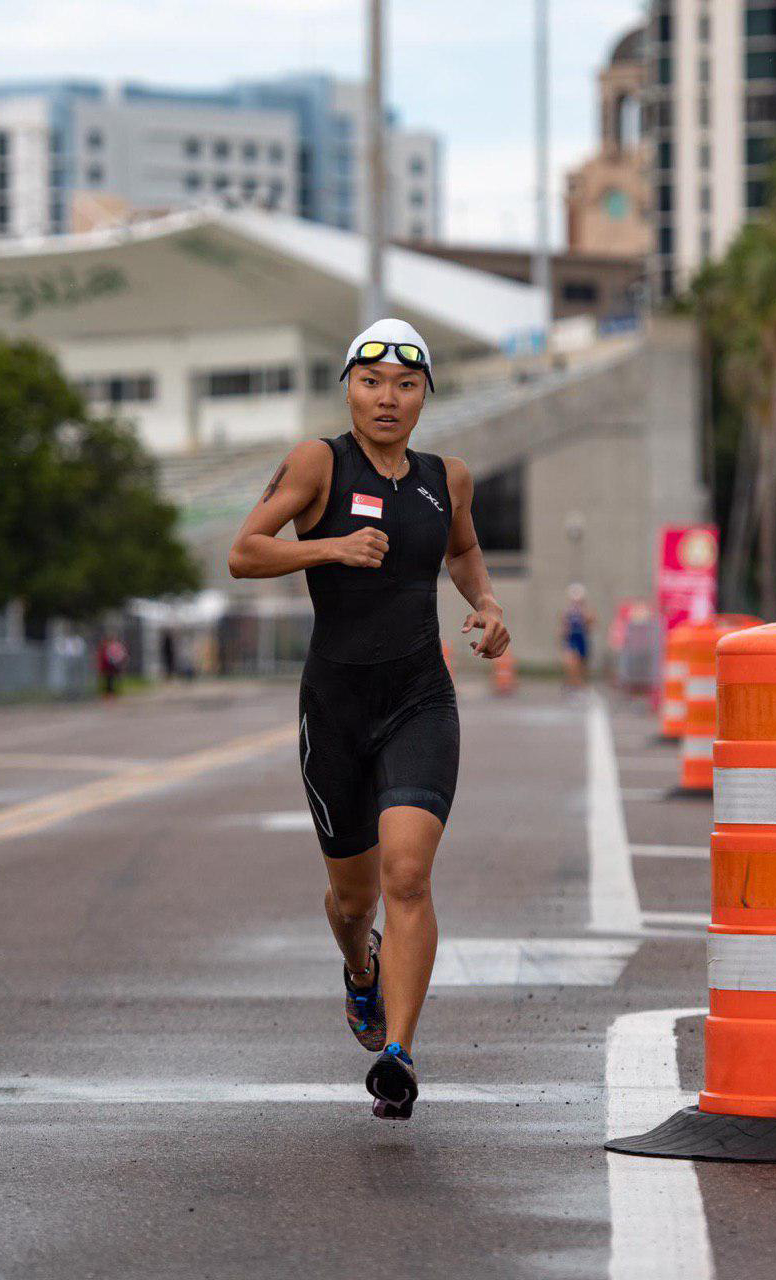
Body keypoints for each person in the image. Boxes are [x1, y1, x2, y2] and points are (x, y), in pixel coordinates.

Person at [227, 318, 510, 1119]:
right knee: (353, 902)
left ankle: (400, 1055)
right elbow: (244, 551)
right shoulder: (318, 463)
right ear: (349, 387)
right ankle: (361, 970)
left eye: (406, 385)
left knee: (407, 876)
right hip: (336, 710)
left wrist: (487, 603)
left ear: (425, 395)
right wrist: (331, 548)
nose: (388, 398)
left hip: (420, 699)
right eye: (372, 382)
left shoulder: (447, 478)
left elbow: (462, 551)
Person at [560, 583, 595, 688]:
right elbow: (564, 625)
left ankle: (580, 680)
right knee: (571, 659)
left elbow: (591, 623)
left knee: (582, 660)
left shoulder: (585, 611)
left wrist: (586, 620)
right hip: (572, 637)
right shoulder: (568, 611)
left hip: (581, 636)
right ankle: (572, 680)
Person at [96, 633, 128, 698]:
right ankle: (109, 693)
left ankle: (112, 693)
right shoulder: (107, 647)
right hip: (109, 666)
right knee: (109, 680)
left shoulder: (111, 647)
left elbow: (119, 655)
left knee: (111, 680)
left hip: (112, 666)